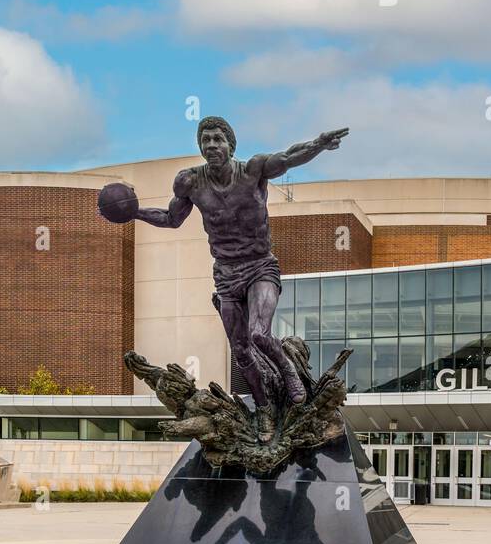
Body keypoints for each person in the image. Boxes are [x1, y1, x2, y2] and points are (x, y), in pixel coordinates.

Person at [132, 116, 348, 441]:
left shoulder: (254, 170)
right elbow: (171, 219)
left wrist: (318, 144)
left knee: (259, 334)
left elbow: (289, 157)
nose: (211, 146)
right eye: (205, 140)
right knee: (242, 351)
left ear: (230, 145)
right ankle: (263, 410)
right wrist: (133, 211)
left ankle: (288, 370)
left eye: (218, 139)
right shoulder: (190, 182)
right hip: (226, 273)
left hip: (260, 265)